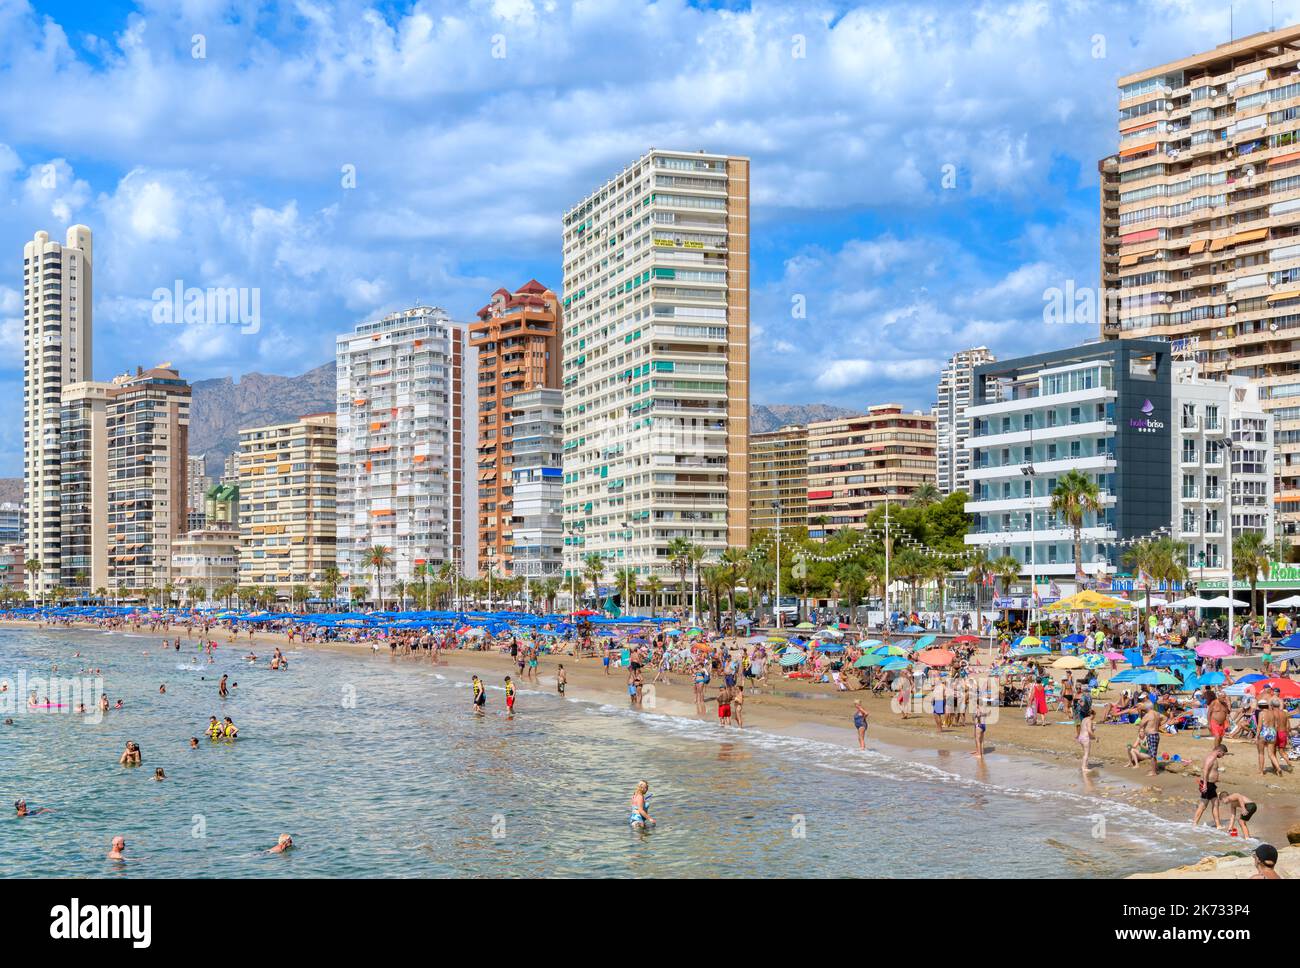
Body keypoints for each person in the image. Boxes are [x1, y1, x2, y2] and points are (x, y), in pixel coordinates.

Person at [1193, 745, 1227, 828]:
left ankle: (1218, 825)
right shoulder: (1211, 758)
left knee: (1215, 803)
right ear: (1219, 751)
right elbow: (1205, 770)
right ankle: (1194, 824)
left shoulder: (1213, 758)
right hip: (1207, 784)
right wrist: (1204, 784)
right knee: (1203, 805)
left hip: (1211, 784)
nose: (1222, 756)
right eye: (1223, 754)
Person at [1077, 706, 1096, 773]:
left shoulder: (1084, 719)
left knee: (1085, 753)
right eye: (1094, 716)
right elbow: (1089, 731)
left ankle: (1085, 766)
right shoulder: (1089, 720)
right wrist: (1095, 737)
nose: (1094, 717)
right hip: (1085, 738)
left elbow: (1083, 728)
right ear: (1092, 715)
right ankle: (1083, 768)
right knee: (1086, 753)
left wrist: (1092, 728)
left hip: (1080, 738)